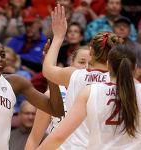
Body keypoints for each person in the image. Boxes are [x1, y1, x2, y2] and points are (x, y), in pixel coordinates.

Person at [42, 4, 123, 149]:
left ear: (91, 51)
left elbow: (47, 70)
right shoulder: (123, 81)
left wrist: (59, 37)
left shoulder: (74, 74)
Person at [38, 44, 141, 150]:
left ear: (108, 65)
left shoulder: (90, 91)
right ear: (135, 67)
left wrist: (58, 37)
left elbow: (58, 137)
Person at [0, 39, 64, 150]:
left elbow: (56, 110)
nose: (0, 59)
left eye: (2, 55)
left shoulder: (14, 82)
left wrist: (49, 68)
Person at [25, 46, 91, 150]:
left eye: (91, 64)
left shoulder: (101, 94)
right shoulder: (54, 94)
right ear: (71, 63)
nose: (86, 67)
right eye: (82, 62)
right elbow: (34, 138)